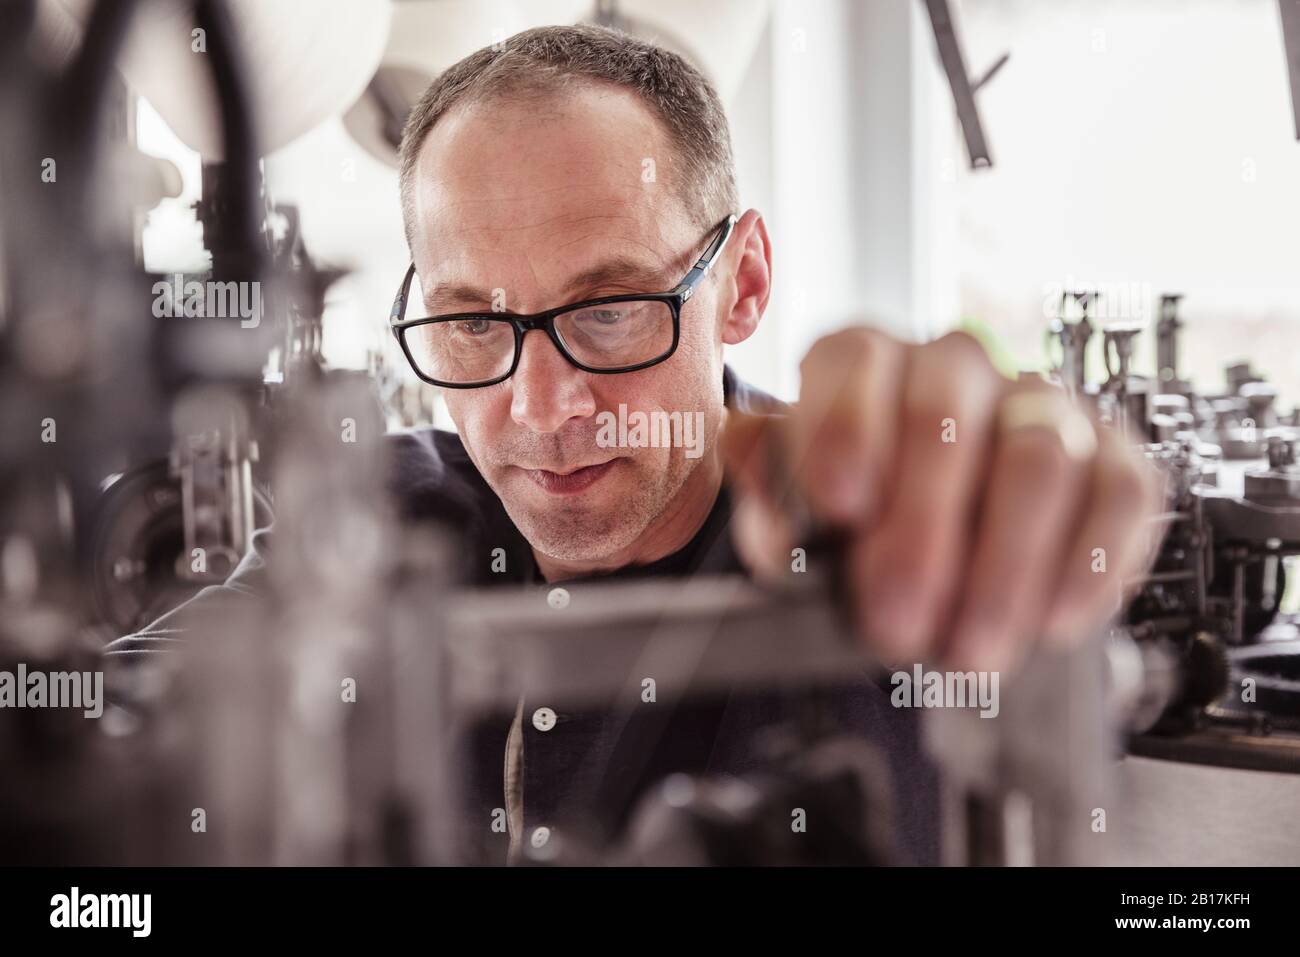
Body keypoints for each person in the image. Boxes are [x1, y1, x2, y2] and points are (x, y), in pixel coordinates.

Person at [108, 24, 1161, 865]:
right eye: (473, 321)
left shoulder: (852, 538)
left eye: (608, 308)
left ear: (741, 282)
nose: (542, 405)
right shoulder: (384, 521)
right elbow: (111, 727)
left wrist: (999, 505)